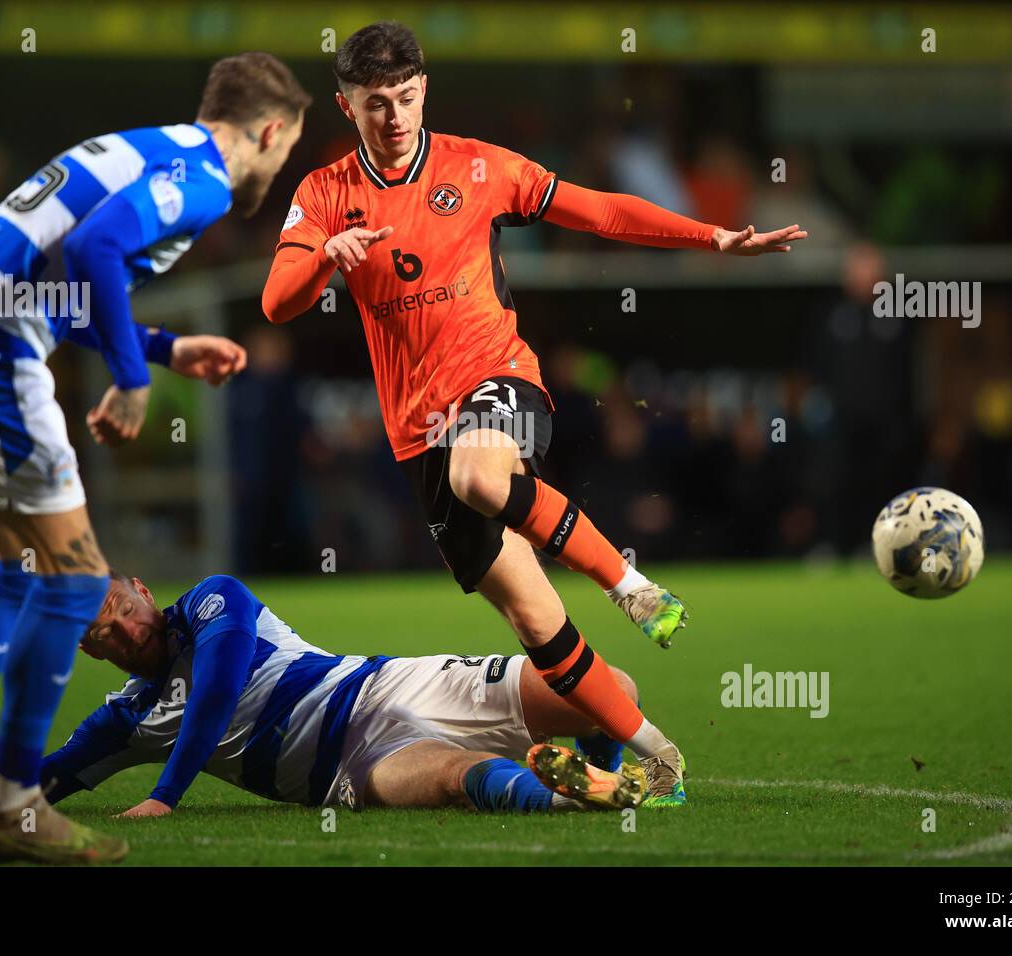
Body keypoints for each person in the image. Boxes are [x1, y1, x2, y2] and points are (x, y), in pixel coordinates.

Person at [261, 21, 806, 805]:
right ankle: (660, 757)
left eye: (406, 98)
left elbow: (600, 213)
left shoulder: (478, 167)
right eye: (375, 103)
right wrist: (324, 259)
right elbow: (278, 303)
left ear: (424, 92)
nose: (394, 118)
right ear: (346, 105)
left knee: (480, 475)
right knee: (532, 617)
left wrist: (710, 238)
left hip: (500, 379)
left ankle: (628, 583)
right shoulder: (324, 194)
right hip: (418, 432)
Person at [0, 52, 310, 864]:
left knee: (22, 575)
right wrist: (133, 378)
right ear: (270, 130)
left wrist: (166, 346)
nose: (278, 170)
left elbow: (53, 283)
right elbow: (99, 250)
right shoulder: (209, 177)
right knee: (76, 582)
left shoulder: (141, 147)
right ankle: (12, 809)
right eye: (285, 155)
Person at [0, 574, 648, 856]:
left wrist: (167, 793)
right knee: (455, 782)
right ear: (93, 651)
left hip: (385, 691)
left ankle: (611, 770)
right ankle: (587, 793)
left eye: (122, 604)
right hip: (349, 773)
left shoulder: (217, 603)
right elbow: (35, 781)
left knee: (604, 685)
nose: (125, 625)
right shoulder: (124, 720)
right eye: (103, 630)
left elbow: (218, 689)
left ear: (142, 591)